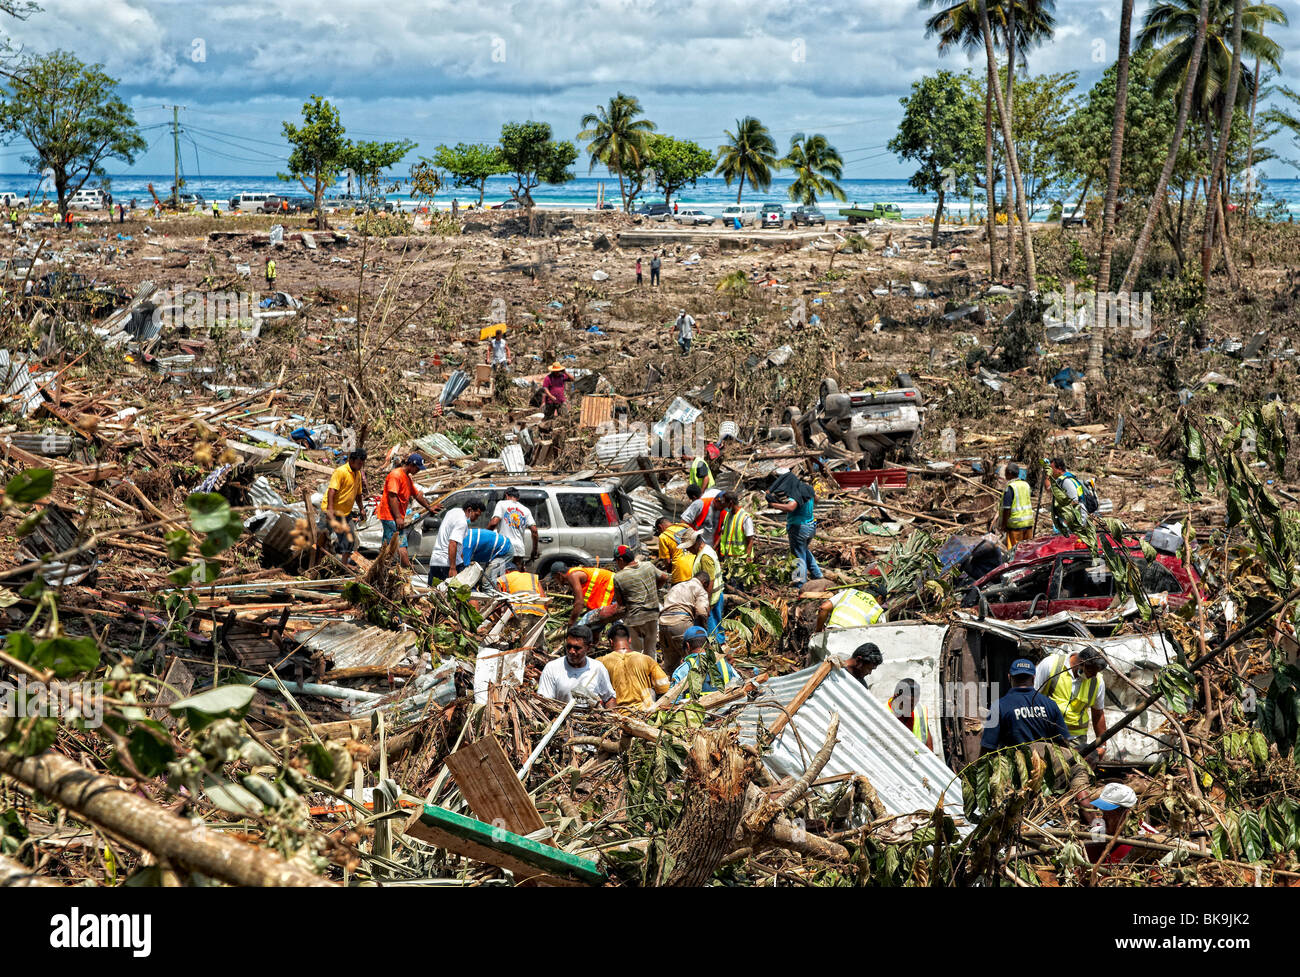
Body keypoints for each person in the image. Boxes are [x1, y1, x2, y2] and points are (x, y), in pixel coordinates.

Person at [983, 659, 1092, 802]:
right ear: (1033, 678)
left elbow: (987, 748)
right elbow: (1062, 741)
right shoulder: (1050, 704)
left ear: (1009, 677)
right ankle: (1091, 817)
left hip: (1017, 767)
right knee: (1078, 771)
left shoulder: (998, 706)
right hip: (1048, 764)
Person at [1036, 646, 1108, 757]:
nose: (1093, 676)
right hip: (1047, 733)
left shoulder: (1097, 682)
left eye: (1096, 672)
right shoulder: (1052, 665)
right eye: (1091, 671)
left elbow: (1098, 714)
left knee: (1076, 770)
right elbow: (1031, 696)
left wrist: (1102, 745)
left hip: (1076, 739)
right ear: (1082, 663)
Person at [375, 453, 439, 569]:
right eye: (417, 468)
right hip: (390, 516)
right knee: (401, 544)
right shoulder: (396, 475)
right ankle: (407, 570)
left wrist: (429, 507)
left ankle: (382, 568)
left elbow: (416, 495)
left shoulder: (407, 477)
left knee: (388, 545)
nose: (418, 471)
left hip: (394, 516)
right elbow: (392, 497)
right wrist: (398, 517)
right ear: (411, 464)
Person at [598, 545, 665, 654]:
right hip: (652, 615)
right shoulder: (648, 566)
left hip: (634, 619)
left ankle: (636, 670)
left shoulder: (619, 577)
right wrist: (655, 588)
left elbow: (620, 604)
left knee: (635, 651)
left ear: (621, 560)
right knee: (651, 650)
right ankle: (650, 670)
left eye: (617, 562)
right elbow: (664, 577)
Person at [536, 625, 615, 708]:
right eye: (569, 646)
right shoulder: (552, 668)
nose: (571, 651)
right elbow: (545, 702)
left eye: (577, 648)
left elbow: (610, 698)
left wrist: (612, 716)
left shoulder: (597, 668)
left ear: (588, 648)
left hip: (589, 719)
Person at [767, 469, 821, 586]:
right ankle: (817, 574)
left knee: (798, 555)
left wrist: (773, 504)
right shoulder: (807, 488)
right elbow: (816, 499)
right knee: (803, 551)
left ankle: (800, 583)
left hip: (799, 528)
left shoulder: (795, 492)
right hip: (810, 526)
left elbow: (791, 507)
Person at [600, 624, 671, 709]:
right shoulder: (646, 660)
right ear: (629, 640)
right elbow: (663, 687)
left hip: (617, 715)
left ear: (611, 641)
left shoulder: (601, 662)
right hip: (645, 713)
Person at [680, 528, 726, 652]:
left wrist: (707, 603)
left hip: (712, 599)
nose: (688, 550)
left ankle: (717, 654)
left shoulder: (705, 556)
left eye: (688, 547)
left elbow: (709, 581)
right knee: (716, 627)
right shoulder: (704, 552)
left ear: (695, 543)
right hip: (713, 597)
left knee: (712, 630)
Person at [658, 567, 712, 673]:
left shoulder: (677, 586)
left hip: (663, 623)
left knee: (670, 663)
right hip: (680, 622)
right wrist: (702, 633)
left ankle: (672, 685)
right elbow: (702, 612)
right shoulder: (700, 590)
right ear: (705, 583)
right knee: (693, 660)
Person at [319, 448, 368, 565]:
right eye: (359, 463)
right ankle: (314, 564)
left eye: (362, 463)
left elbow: (358, 494)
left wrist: (361, 508)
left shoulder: (358, 474)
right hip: (331, 511)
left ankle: (343, 566)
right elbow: (332, 491)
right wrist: (330, 511)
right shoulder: (341, 471)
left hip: (345, 514)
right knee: (321, 539)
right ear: (351, 460)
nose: (361, 466)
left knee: (349, 540)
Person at [428, 497, 486, 582]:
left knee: (434, 592)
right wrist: (452, 568)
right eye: (476, 515)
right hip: (447, 564)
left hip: (436, 561)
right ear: (469, 510)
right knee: (454, 593)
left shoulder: (453, 512)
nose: (476, 519)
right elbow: (453, 543)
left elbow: (458, 545)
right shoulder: (462, 522)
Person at [671, 626, 740, 696]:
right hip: (726, 706)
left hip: (694, 707)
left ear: (688, 646)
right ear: (708, 644)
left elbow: (672, 701)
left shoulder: (682, 670)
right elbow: (739, 686)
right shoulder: (724, 664)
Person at [1083, 783, 1140, 864]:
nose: (1103, 818)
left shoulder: (1145, 839)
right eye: (1103, 812)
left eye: (1109, 813)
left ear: (1127, 814)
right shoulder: (1097, 834)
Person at [551, 562, 616, 626]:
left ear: (559, 575)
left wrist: (571, 623)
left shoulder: (572, 576)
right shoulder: (574, 573)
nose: (556, 582)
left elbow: (579, 603)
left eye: (555, 578)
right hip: (613, 590)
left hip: (615, 590)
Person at [488, 487, 538, 568]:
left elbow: (494, 523)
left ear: (506, 495)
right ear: (518, 498)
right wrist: (534, 551)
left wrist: (485, 535)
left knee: (502, 576)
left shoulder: (501, 504)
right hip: (519, 549)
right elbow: (534, 531)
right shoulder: (526, 510)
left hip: (504, 546)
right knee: (516, 576)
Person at [888, 678, 934, 751]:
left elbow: (927, 736)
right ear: (896, 696)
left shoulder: (920, 711)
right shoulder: (883, 711)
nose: (911, 709)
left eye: (913, 704)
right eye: (907, 704)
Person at [814, 586, 886, 632]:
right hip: (855, 638)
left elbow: (824, 608)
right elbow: (881, 634)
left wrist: (818, 631)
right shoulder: (879, 610)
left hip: (833, 630)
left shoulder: (849, 592)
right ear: (879, 598)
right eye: (882, 602)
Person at [1050, 457, 1089, 534]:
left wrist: (1066, 522)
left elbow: (1074, 501)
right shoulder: (1061, 480)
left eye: (1052, 469)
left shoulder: (1066, 481)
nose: (1051, 472)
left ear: (1059, 469)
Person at [1001, 461, 1035, 548]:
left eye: (1005, 472)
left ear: (1009, 473)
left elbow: (1007, 509)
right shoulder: (1025, 485)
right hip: (1028, 524)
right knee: (1027, 550)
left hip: (1015, 526)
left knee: (1014, 552)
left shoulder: (1010, 487)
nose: (1004, 474)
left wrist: (1003, 525)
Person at [716, 491, 754, 561]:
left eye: (725, 502)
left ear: (731, 503)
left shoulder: (745, 518)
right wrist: (714, 547)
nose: (723, 504)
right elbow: (722, 533)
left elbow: (750, 540)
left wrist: (747, 558)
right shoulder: (727, 515)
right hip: (728, 557)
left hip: (740, 558)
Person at [655, 516, 694, 584]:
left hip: (681, 571)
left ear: (660, 527)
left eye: (659, 531)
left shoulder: (663, 536)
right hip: (695, 564)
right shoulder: (684, 526)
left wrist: (670, 573)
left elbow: (667, 561)